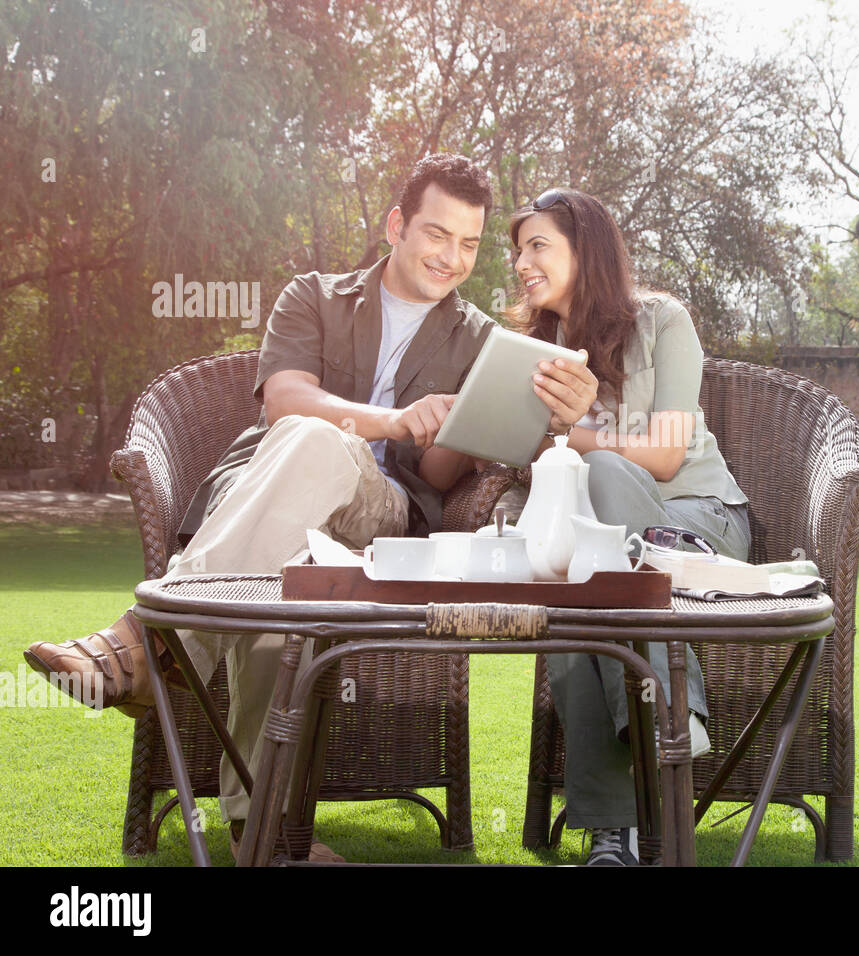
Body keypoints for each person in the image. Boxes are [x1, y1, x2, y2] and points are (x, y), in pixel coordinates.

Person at [25, 153, 503, 861]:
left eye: (469, 244)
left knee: (315, 458)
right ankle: (268, 832)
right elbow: (285, 400)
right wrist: (394, 418)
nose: (452, 258)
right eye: (438, 234)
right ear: (397, 224)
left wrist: (469, 426)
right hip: (273, 499)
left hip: (383, 520)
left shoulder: (479, 339)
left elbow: (436, 473)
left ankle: (152, 642)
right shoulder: (314, 294)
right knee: (282, 570)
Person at [508, 187, 751, 865]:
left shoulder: (662, 319)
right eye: (518, 250)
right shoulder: (533, 354)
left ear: (585, 248)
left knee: (607, 480)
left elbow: (669, 454)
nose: (522, 263)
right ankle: (617, 831)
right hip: (611, 554)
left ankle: (676, 706)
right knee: (573, 624)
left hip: (699, 526)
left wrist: (576, 432)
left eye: (538, 246)